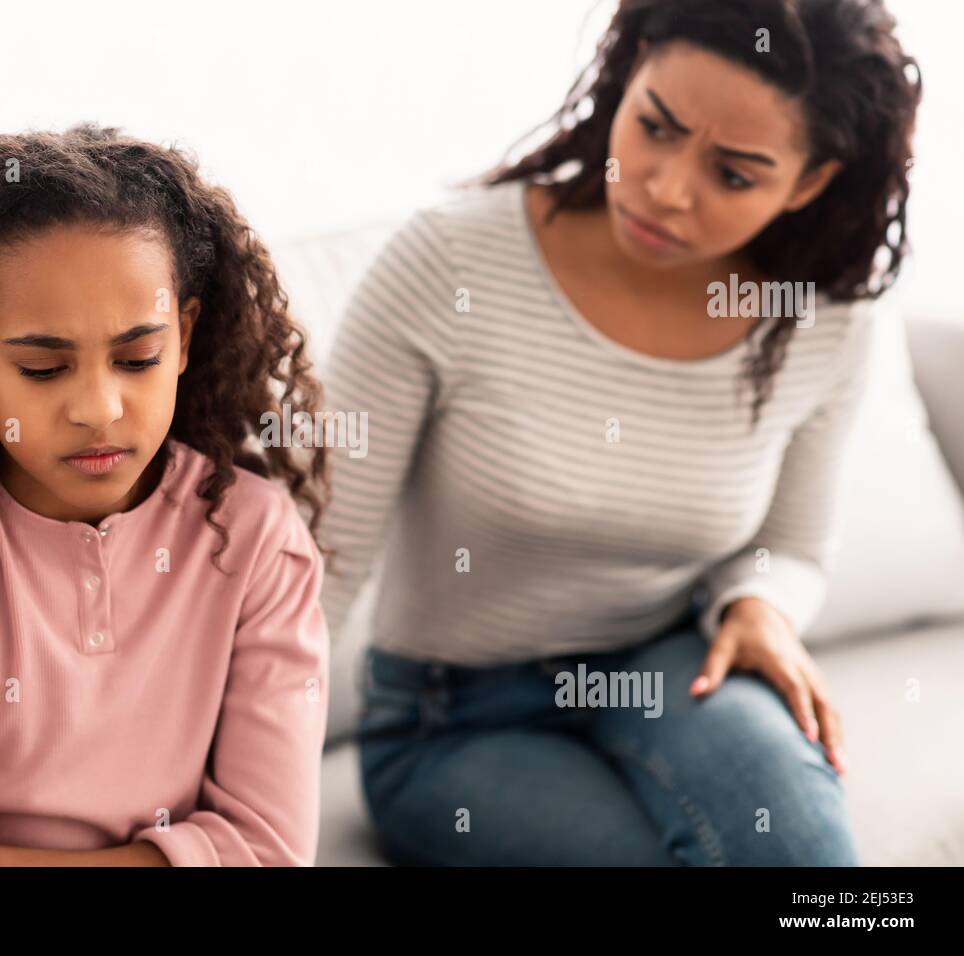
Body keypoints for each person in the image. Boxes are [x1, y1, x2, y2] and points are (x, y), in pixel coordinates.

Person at [317, 0, 920, 865]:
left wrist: (762, 606)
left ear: (811, 181)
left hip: (673, 665)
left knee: (807, 865)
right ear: (630, 67)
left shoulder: (821, 320)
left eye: (735, 174)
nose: (667, 189)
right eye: (656, 127)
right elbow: (318, 568)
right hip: (444, 716)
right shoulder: (448, 264)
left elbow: (791, 546)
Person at [0, 124, 331, 866]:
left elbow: (272, 850)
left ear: (186, 337)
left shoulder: (254, 539)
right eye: (44, 368)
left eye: (137, 358)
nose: (98, 408)